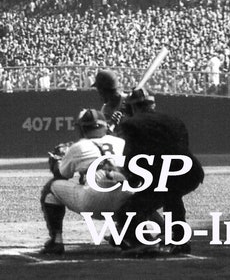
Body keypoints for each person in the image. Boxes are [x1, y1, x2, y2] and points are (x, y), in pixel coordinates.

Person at [113, 88, 205, 255]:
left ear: (132, 107)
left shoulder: (130, 124)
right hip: (191, 172)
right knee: (172, 196)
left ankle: (140, 242)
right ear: (153, 104)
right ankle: (179, 239)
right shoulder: (174, 120)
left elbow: (131, 156)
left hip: (162, 173)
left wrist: (133, 181)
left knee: (126, 211)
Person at [39, 108, 131, 255]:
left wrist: (57, 163)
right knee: (139, 191)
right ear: (105, 126)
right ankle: (128, 234)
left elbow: (62, 175)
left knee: (52, 187)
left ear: (82, 129)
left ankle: (56, 241)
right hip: (125, 202)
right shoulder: (121, 142)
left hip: (92, 201)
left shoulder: (78, 146)